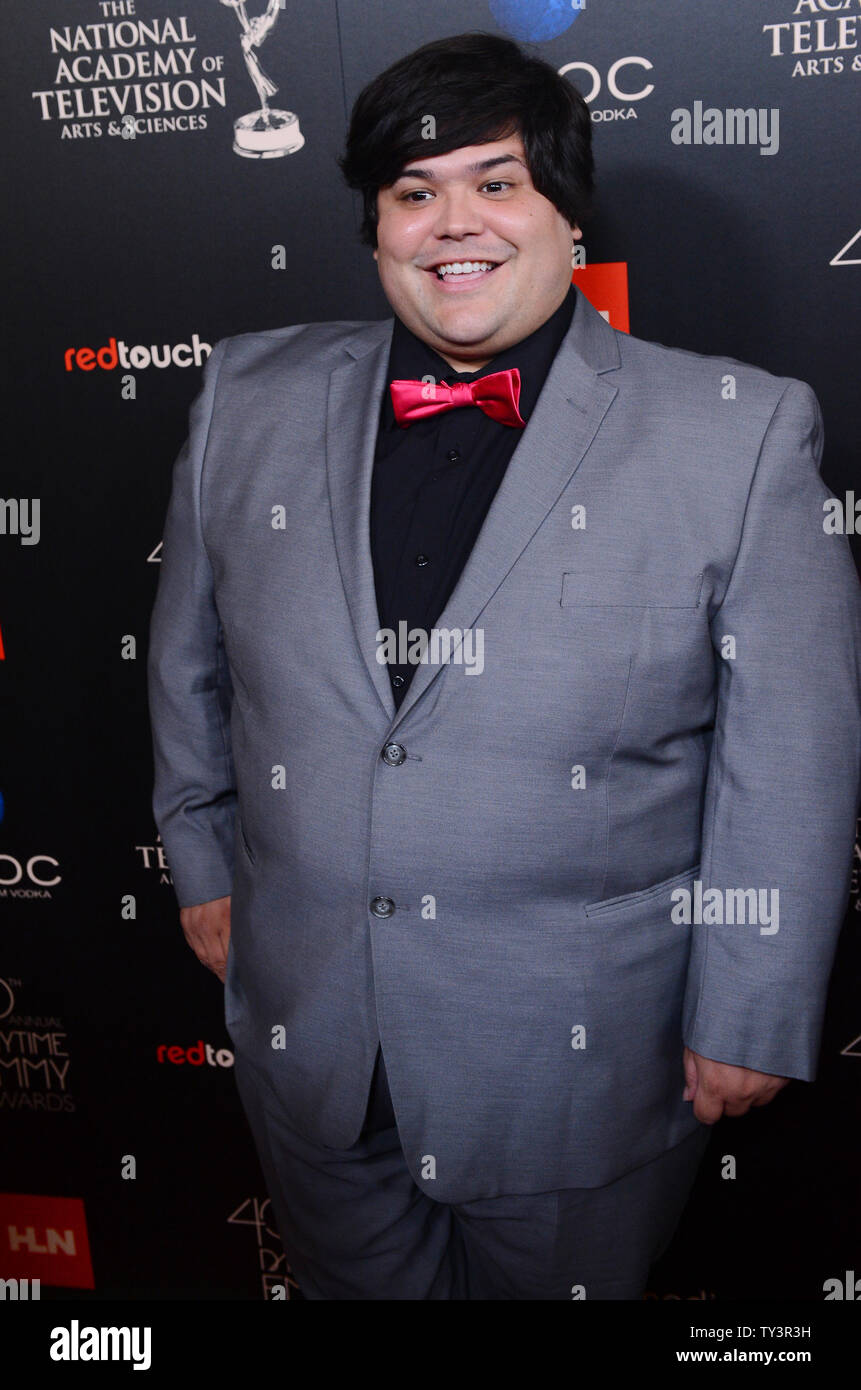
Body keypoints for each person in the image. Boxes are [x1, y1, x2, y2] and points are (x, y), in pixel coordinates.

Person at [147, 32, 861, 1299]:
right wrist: (200, 853)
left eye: (497, 182)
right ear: (375, 229)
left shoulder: (741, 433)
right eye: (414, 193)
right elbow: (190, 658)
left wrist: (750, 1006)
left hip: (580, 1070)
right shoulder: (248, 395)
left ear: (566, 217)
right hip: (312, 1046)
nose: (451, 223)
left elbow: (789, 756)